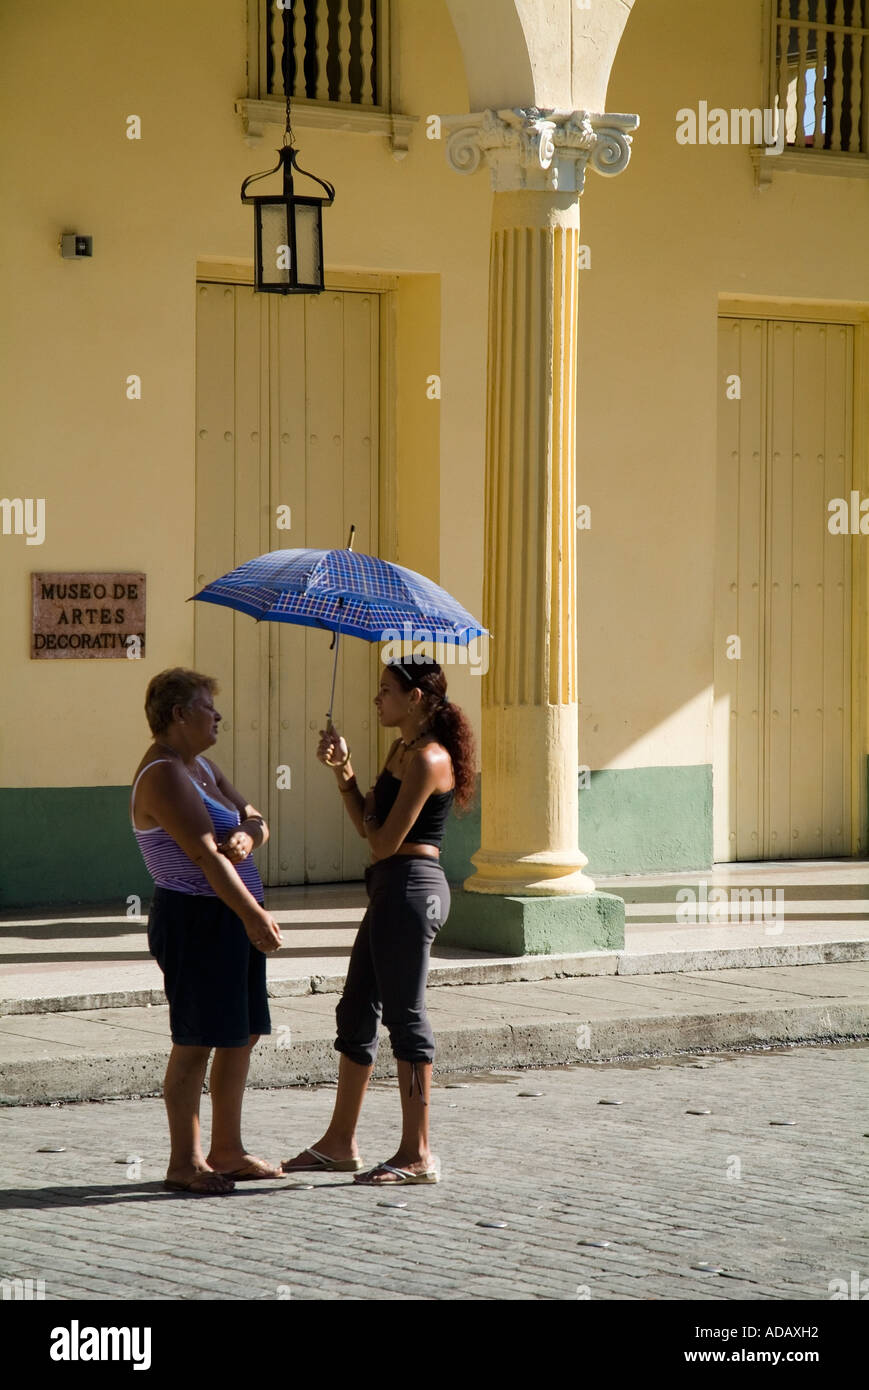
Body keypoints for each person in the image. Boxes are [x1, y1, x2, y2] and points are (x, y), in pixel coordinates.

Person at [281, 656, 476, 1185]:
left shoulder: (429, 759)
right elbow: (367, 820)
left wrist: (368, 815)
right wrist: (343, 771)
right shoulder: (400, 750)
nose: (377, 698)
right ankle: (339, 1142)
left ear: (415, 698)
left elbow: (382, 838)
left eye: (386, 690)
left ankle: (418, 1153)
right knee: (355, 1006)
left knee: (406, 1017)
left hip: (412, 888)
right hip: (389, 886)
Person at [130, 667, 284, 1195]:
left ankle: (228, 1149)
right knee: (196, 1039)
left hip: (226, 916)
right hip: (197, 919)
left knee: (242, 1032)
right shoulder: (164, 774)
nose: (217, 715)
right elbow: (203, 858)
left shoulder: (201, 767)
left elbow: (257, 817)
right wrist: (253, 916)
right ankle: (185, 1160)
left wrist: (248, 834)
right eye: (206, 707)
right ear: (178, 715)